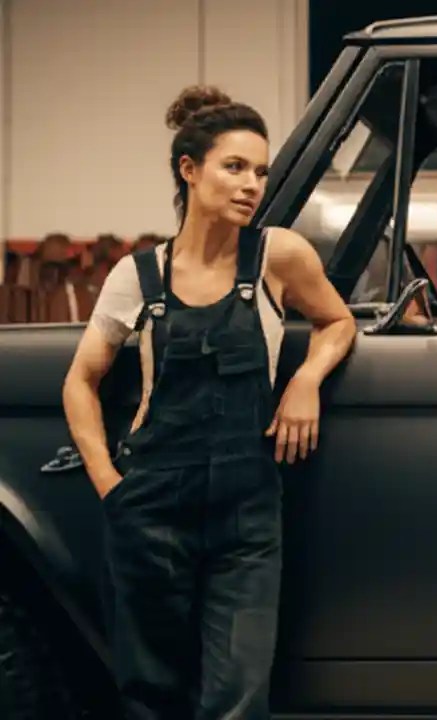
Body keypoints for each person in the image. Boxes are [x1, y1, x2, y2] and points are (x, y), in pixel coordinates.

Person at [61, 85, 356, 718]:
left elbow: (338, 322)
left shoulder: (279, 256)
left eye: (260, 170)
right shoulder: (136, 277)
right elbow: (80, 381)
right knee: (149, 694)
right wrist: (110, 485)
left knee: (239, 692)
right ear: (188, 170)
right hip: (150, 509)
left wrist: (306, 380)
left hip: (246, 514)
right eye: (235, 167)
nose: (252, 184)